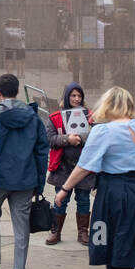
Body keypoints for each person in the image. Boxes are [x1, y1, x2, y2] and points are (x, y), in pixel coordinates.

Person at [53, 86, 135, 269]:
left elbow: (85, 166)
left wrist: (64, 189)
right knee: (114, 244)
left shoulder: (103, 131)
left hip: (116, 191)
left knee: (120, 250)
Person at [0, 73, 48, 269]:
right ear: (17, 91)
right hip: (25, 180)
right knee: (21, 226)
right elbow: (42, 152)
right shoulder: (33, 117)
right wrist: (39, 183)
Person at [45, 82, 94, 245]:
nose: (76, 98)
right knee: (60, 200)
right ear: (67, 97)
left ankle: (83, 232)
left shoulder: (90, 117)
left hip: (84, 166)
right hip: (63, 166)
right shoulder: (55, 117)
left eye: (79, 96)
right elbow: (50, 139)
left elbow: (97, 135)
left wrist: (80, 139)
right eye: (73, 95)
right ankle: (56, 231)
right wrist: (67, 139)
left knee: (84, 199)